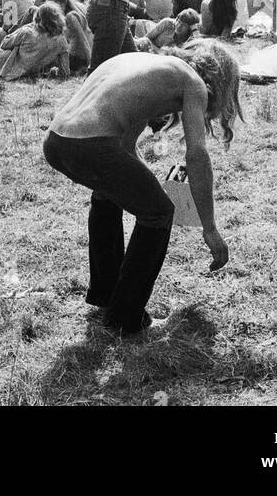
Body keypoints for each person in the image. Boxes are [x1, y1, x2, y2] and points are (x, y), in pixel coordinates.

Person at [43, 42, 238, 335]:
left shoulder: (143, 64)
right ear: (218, 82)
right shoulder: (193, 83)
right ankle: (125, 317)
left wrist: (146, 183)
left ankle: (107, 297)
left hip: (56, 141)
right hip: (90, 143)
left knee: (109, 193)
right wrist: (209, 228)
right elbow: (197, 155)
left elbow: (124, 147)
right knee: (159, 213)